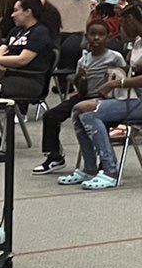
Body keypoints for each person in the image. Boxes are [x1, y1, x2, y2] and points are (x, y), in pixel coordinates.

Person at [63, 2, 142, 190]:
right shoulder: (140, 42)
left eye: (123, 23)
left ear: (131, 20)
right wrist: (137, 66)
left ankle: (110, 170)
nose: (121, 28)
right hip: (135, 99)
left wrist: (116, 83)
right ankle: (90, 168)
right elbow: (136, 70)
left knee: (90, 113)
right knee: (78, 111)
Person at [33, 21, 126, 174]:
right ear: (87, 37)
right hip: (85, 96)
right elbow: (81, 90)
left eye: (101, 35)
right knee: (50, 116)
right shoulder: (83, 60)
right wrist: (80, 80)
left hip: (106, 98)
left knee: (96, 118)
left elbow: (122, 78)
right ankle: (54, 156)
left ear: (108, 38)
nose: (96, 38)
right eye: (93, 34)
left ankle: (104, 161)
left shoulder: (115, 58)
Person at [0, 0, 56, 107]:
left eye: (16, 10)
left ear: (28, 12)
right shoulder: (15, 31)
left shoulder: (40, 32)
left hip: (29, 80)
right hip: (7, 75)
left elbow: (22, 60)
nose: (12, 15)